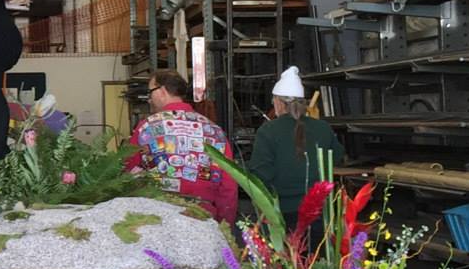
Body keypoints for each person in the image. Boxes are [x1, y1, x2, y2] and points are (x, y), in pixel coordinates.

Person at [128, 69, 238, 222]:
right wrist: (226, 223)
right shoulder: (213, 130)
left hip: (157, 218)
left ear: (161, 91)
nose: (149, 99)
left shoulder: (146, 128)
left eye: (150, 92)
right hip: (204, 217)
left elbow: (128, 172)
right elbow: (228, 184)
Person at [248, 67, 345, 221]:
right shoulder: (322, 127)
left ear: (279, 103)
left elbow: (260, 174)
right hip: (319, 212)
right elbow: (337, 157)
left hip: (281, 213)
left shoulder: (268, 131)